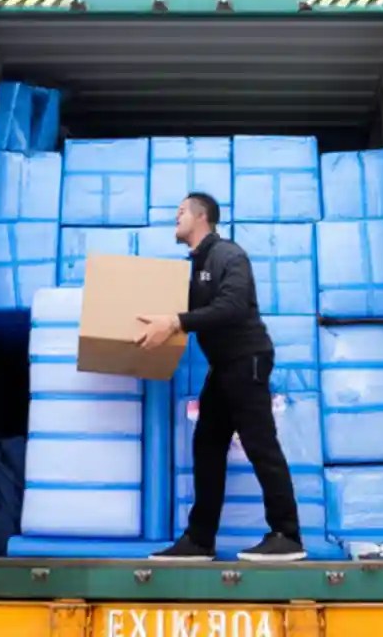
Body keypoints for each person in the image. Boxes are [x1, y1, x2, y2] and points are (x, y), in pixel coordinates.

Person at [135, 192, 305, 562]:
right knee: (207, 446)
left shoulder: (228, 254)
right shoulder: (193, 268)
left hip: (247, 359)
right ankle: (199, 540)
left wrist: (176, 322)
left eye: (180, 211)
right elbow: (181, 312)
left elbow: (231, 307)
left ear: (201, 217)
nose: (175, 217)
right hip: (223, 366)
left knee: (260, 444)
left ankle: (287, 535)